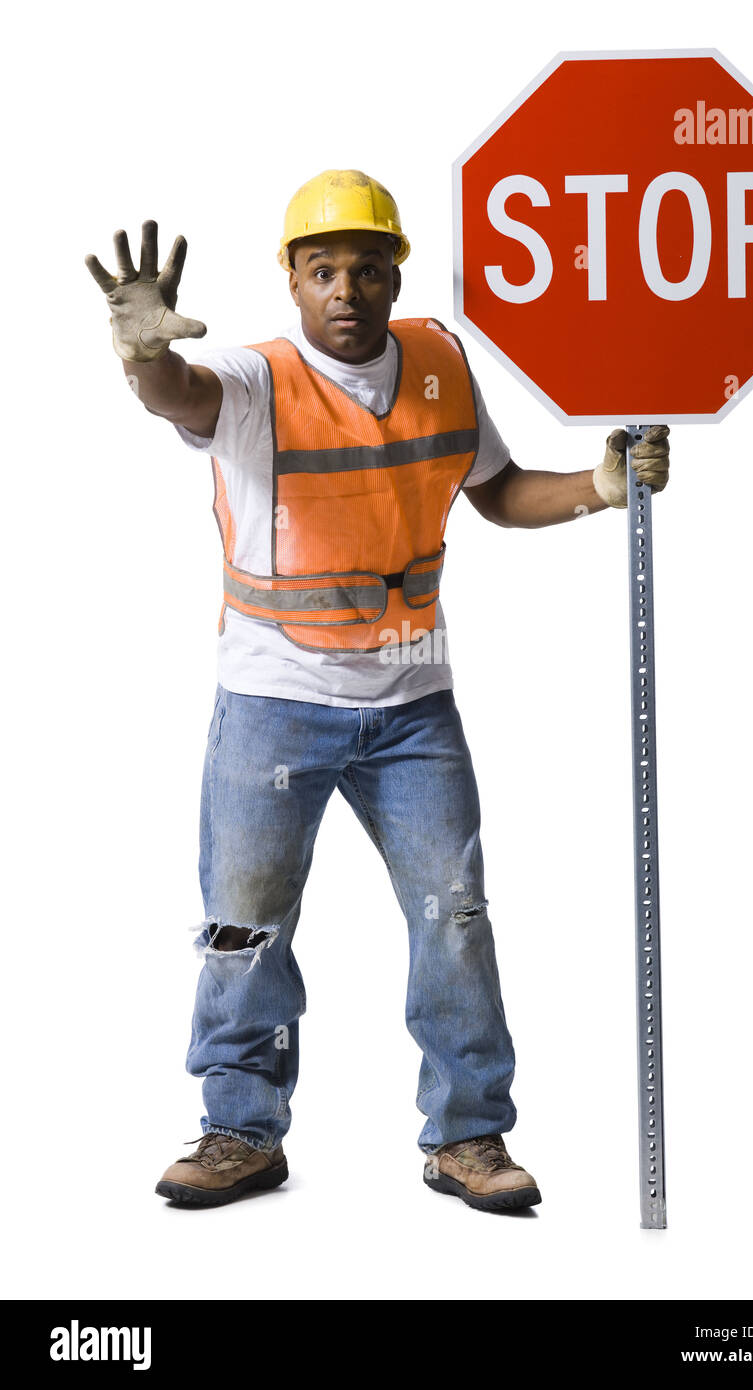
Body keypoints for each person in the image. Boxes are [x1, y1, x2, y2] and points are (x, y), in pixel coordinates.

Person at [86, 169, 670, 1213]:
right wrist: (145, 354)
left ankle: (469, 1135)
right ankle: (239, 1130)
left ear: (394, 274)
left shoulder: (441, 364)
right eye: (322, 271)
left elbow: (495, 492)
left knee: (453, 915)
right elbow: (179, 395)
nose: (343, 288)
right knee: (243, 924)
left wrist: (596, 488)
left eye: (364, 267)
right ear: (293, 281)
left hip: (412, 708)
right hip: (273, 701)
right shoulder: (255, 381)